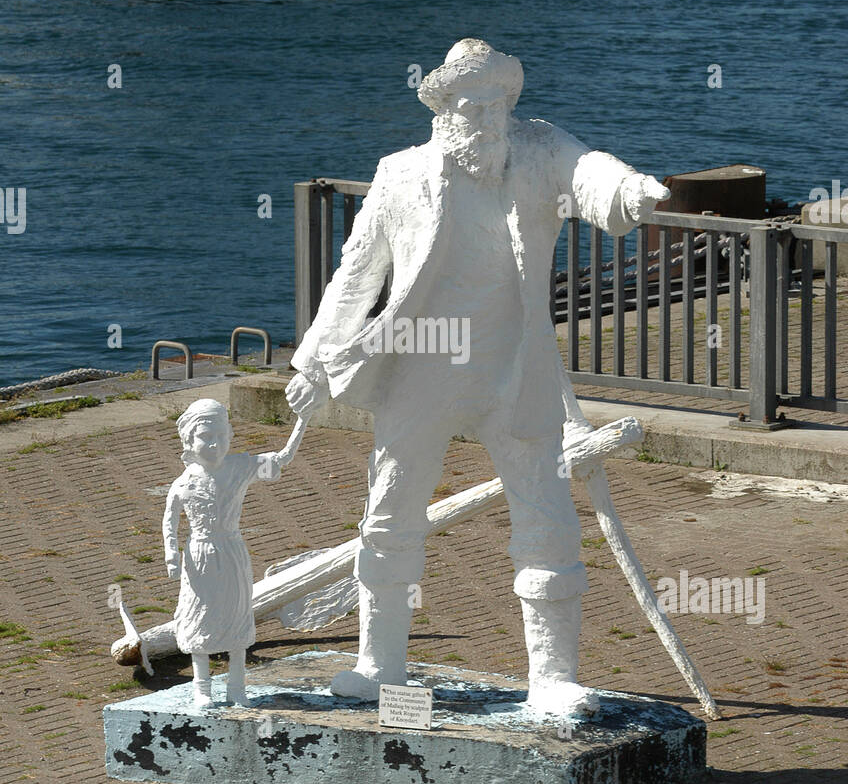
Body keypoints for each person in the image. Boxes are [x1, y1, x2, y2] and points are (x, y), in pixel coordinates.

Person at [286, 39, 669, 718]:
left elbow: (591, 172)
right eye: (473, 103)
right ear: (443, 105)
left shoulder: (540, 150)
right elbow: (356, 275)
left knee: (546, 515)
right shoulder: (400, 174)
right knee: (390, 513)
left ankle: (553, 679)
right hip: (421, 365)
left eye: (499, 103)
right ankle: (379, 668)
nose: (488, 117)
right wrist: (315, 362)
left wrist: (630, 189)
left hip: (513, 367)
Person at [164, 398, 287, 707]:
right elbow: (169, 520)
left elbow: (281, 459)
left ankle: (237, 686)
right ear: (190, 440)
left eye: (222, 436)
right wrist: (171, 554)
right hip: (199, 556)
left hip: (232, 552)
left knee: (236, 614)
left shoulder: (239, 467)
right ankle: (201, 687)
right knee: (198, 615)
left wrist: (302, 421)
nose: (215, 444)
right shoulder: (183, 483)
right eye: (206, 437)